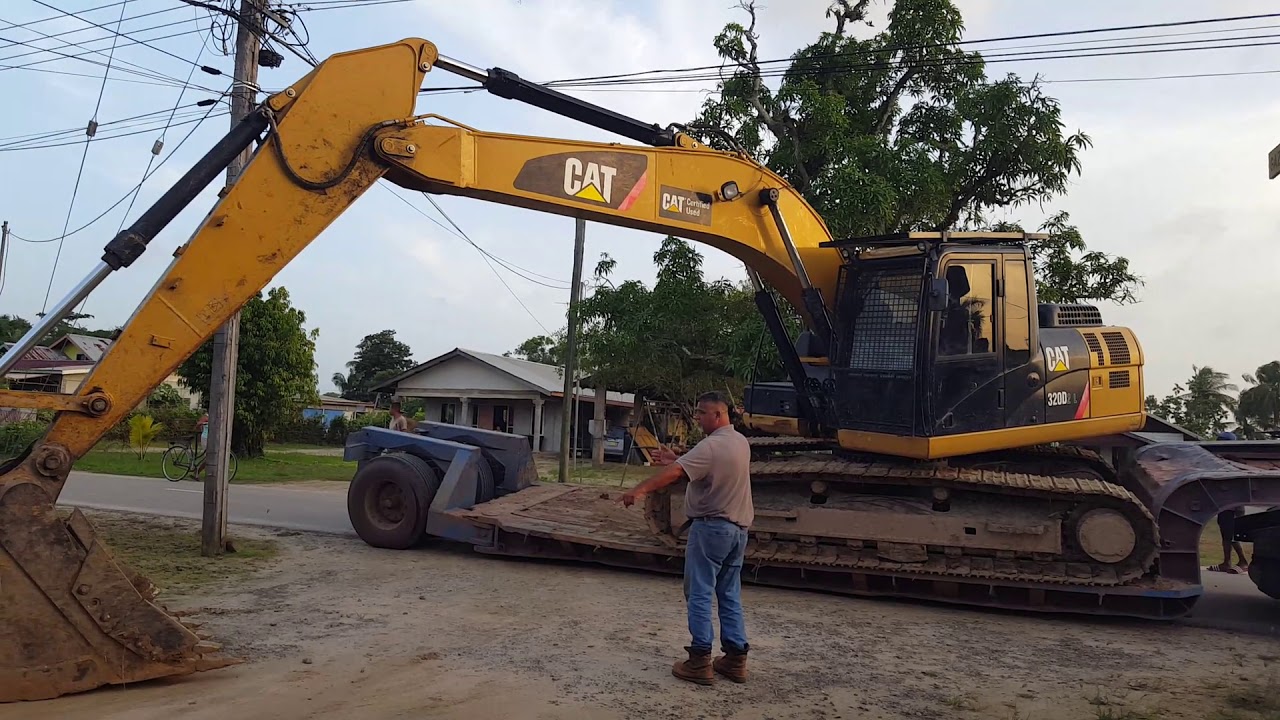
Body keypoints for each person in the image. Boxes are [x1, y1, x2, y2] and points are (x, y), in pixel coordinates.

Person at [620, 391, 753, 685]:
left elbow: (676, 473)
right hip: (738, 531)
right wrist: (676, 458)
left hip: (711, 530)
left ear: (718, 415)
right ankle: (735, 659)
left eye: (701, 413)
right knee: (729, 594)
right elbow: (702, 464)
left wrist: (638, 490)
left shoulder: (711, 445)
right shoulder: (739, 442)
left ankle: (699, 661)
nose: (697, 419)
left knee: (700, 593)